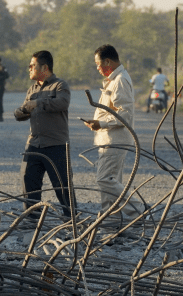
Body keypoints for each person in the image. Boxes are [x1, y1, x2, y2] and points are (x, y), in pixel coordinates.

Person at [83, 44, 138, 230]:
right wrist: (97, 123)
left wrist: (102, 123)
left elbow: (126, 114)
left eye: (99, 64)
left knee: (104, 179)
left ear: (108, 61)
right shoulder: (113, 80)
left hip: (116, 140)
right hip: (107, 139)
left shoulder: (120, 80)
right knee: (111, 182)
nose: (98, 68)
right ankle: (111, 222)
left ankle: (138, 211)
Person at [14, 50, 73, 217]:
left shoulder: (60, 86)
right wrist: (23, 110)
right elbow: (21, 113)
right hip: (34, 143)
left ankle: (71, 222)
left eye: (32, 65)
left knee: (62, 186)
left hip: (56, 144)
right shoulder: (31, 89)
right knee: (28, 182)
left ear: (45, 67)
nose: (29, 68)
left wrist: (38, 103)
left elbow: (62, 103)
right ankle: (32, 221)